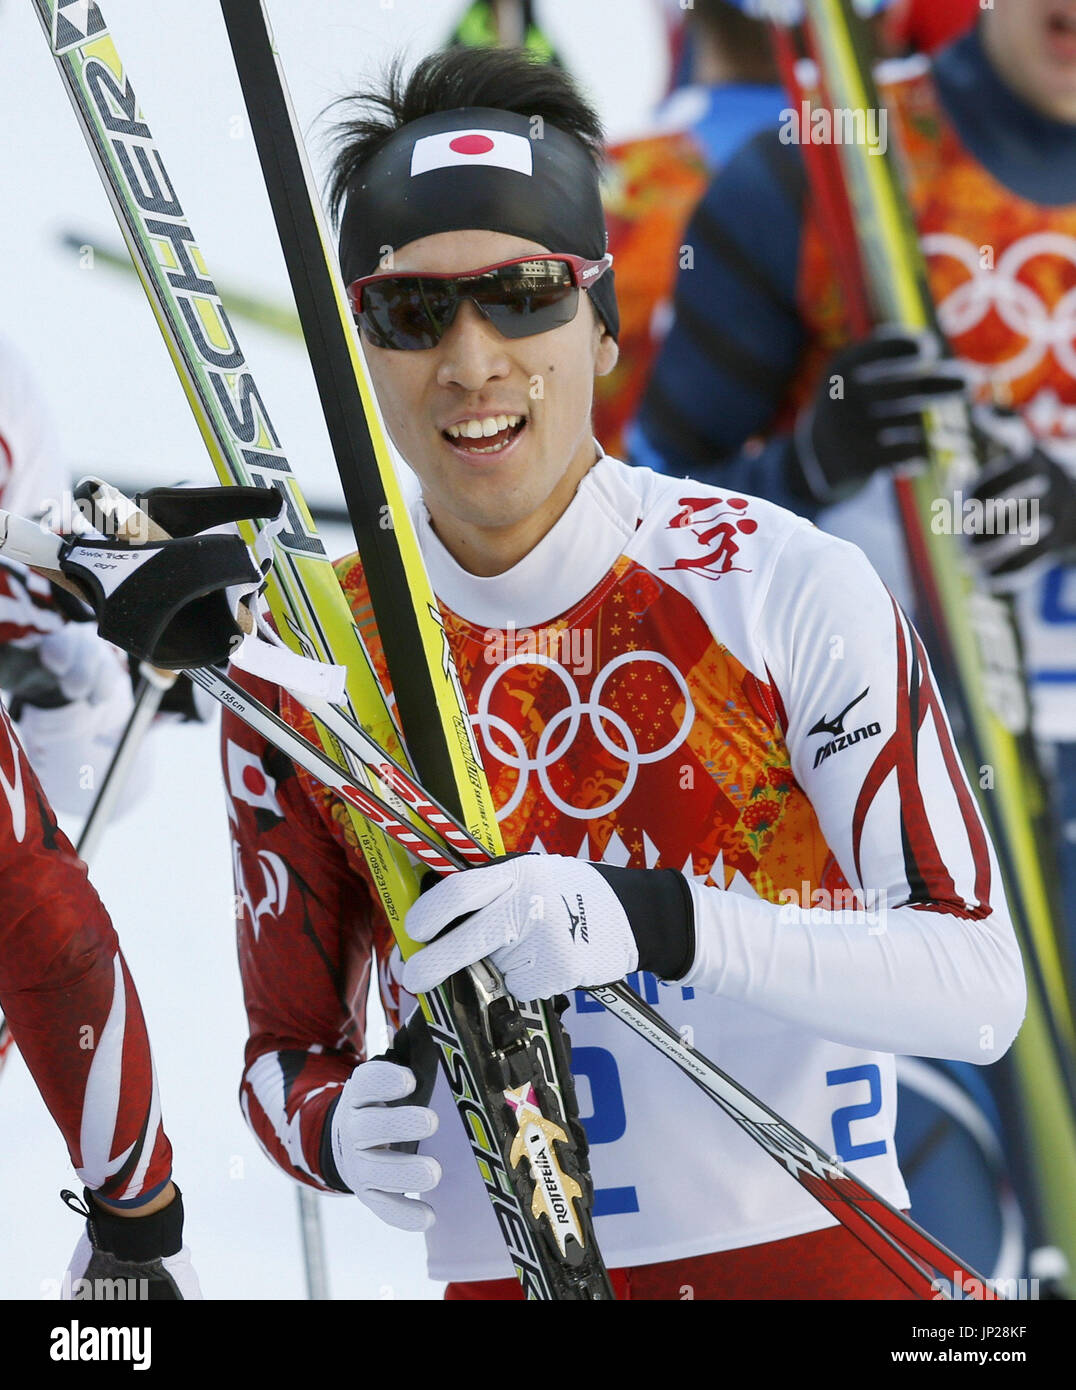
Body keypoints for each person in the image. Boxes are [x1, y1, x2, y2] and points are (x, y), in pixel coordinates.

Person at [223, 45, 1024, 1300]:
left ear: (601, 326)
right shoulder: (312, 656)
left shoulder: (773, 584)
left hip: (821, 1263)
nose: (472, 359)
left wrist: (655, 920)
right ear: (361, 347)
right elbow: (283, 1054)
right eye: (411, 312)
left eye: (526, 294)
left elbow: (977, 987)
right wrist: (327, 1128)